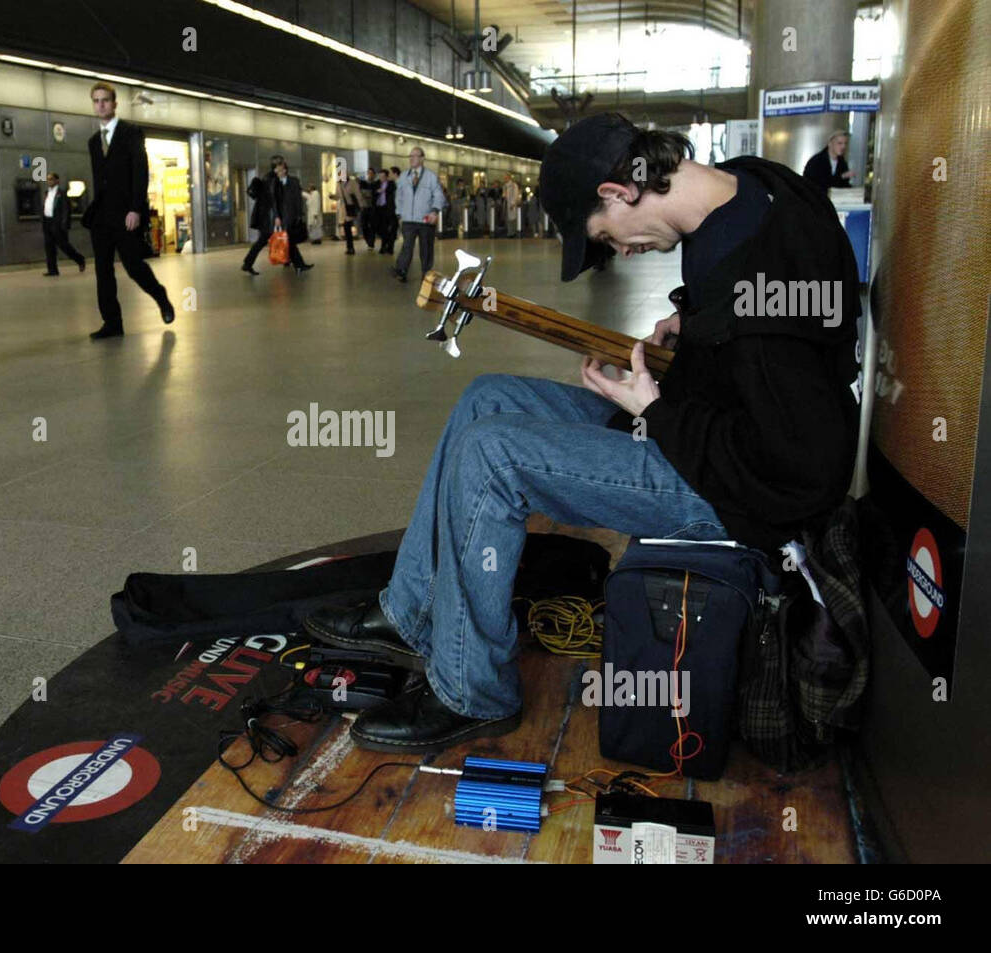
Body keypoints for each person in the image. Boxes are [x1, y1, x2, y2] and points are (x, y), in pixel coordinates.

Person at [305, 112, 862, 753]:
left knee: (493, 455)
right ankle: (412, 613)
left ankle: (472, 692)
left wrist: (656, 410)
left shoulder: (763, 271)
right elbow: (758, 346)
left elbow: (798, 465)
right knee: (488, 398)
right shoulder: (749, 186)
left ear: (617, 192)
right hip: (702, 427)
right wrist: (692, 330)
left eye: (605, 237)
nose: (619, 252)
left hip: (740, 494)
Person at [82, 82, 174, 340]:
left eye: (105, 100)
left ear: (114, 103)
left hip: (125, 214)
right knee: (103, 271)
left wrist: (135, 208)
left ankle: (161, 296)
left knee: (133, 265)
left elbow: (140, 172)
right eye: (96, 101)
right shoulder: (92, 142)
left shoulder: (131, 133)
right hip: (102, 216)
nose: (100, 105)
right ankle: (112, 323)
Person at [390, 147, 447, 283]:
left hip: (425, 218)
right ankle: (402, 270)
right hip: (408, 219)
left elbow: (439, 195)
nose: (412, 158)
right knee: (407, 246)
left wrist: (434, 210)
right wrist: (399, 213)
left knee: (426, 248)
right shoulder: (404, 176)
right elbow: (399, 196)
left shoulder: (431, 177)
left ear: (422, 158)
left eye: (415, 156)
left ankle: (426, 273)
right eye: (410, 156)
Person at [271, 156, 313, 274]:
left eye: (279, 170)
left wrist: (300, 214)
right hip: (282, 217)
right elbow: (274, 202)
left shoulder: (294, 181)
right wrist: (276, 216)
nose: (277, 172)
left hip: (293, 215)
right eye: (276, 170)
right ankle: (299, 265)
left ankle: (293, 262)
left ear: (285, 170)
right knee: (290, 241)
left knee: (290, 241)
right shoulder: (275, 184)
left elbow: (298, 199)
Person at [41, 172, 85, 276]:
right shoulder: (46, 193)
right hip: (47, 223)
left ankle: (79, 259)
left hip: (57, 223)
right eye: (48, 179)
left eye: (51, 179)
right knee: (49, 247)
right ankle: (52, 270)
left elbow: (66, 210)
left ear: (57, 180)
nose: (49, 181)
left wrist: (64, 224)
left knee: (64, 246)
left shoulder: (62, 193)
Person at [241, 163, 277, 274]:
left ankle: (247, 263)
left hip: (264, 216)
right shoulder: (271, 180)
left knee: (262, 241)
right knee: (262, 241)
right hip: (267, 217)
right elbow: (273, 200)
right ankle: (247, 263)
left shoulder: (267, 178)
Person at [336, 162, 361, 255]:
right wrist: (332, 196)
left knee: (347, 226)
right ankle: (349, 247)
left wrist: (361, 205)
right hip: (343, 209)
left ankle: (350, 247)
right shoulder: (339, 184)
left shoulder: (352, 182)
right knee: (346, 228)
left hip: (350, 207)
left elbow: (358, 194)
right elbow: (338, 196)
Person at [372, 169, 396, 254]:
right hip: (379, 208)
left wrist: (384, 190)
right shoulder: (376, 184)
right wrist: (377, 191)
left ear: (387, 177)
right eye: (380, 176)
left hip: (388, 208)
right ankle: (384, 244)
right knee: (381, 228)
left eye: (383, 177)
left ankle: (387, 246)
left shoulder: (391, 184)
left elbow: (391, 192)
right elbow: (373, 193)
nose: (381, 178)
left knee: (388, 228)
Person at [358, 168, 378, 249]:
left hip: (373, 207)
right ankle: (367, 239)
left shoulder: (376, 184)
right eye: (368, 173)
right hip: (364, 207)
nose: (370, 175)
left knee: (372, 225)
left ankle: (371, 242)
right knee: (364, 225)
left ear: (374, 174)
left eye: (371, 173)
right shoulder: (363, 183)